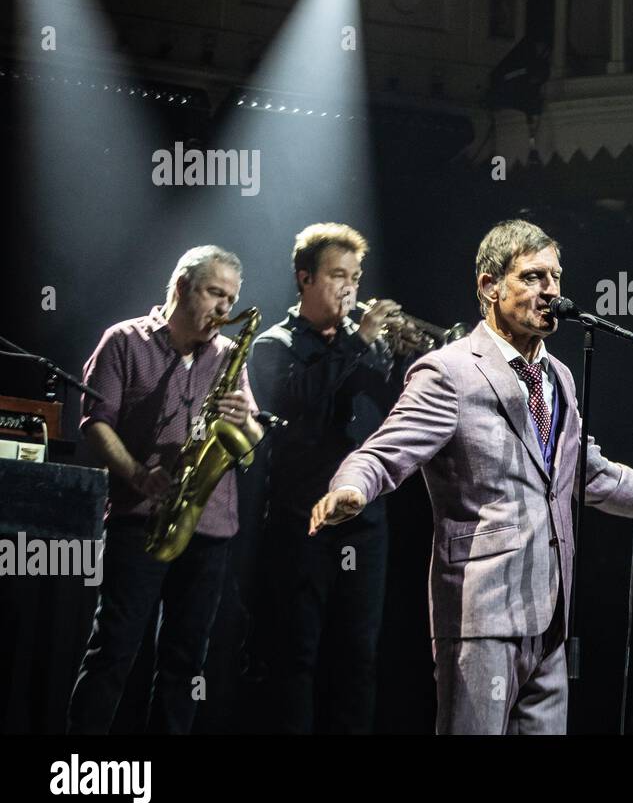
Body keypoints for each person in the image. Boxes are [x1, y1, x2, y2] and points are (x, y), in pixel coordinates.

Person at [310, 219, 633, 734]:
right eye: (532, 277)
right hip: (481, 618)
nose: (550, 291)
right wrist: (351, 487)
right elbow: (384, 451)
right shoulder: (449, 372)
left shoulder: (559, 378)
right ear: (489, 286)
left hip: (550, 616)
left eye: (556, 278)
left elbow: (598, 477)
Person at [68, 245, 261, 733]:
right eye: (216, 293)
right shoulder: (124, 341)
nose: (224, 309)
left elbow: (250, 441)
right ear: (181, 287)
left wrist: (248, 423)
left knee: (184, 664)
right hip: (141, 519)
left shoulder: (227, 356)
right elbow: (95, 422)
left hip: (210, 524)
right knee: (113, 652)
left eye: (231, 298)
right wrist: (137, 473)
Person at [247, 222, 422, 733]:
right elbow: (291, 402)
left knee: (359, 657)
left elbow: (394, 420)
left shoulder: (368, 347)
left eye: (356, 276)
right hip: (302, 517)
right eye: (337, 275)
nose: (350, 288)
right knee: (296, 657)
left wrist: (399, 359)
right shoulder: (273, 344)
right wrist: (358, 343)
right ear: (304, 278)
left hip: (365, 519)